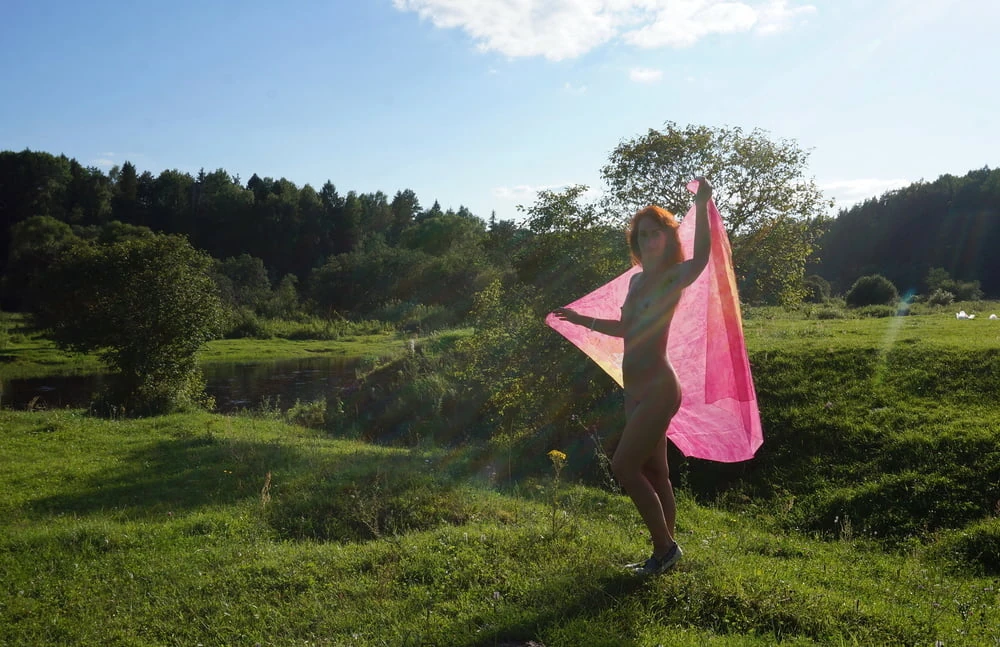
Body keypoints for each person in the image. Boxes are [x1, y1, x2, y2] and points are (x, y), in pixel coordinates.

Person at [552, 177, 713, 575]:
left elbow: (704, 256)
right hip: (634, 388)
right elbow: (626, 329)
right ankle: (666, 555)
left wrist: (705, 206)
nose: (648, 242)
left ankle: (664, 550)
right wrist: (582, 320)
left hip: (659, 386)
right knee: (656, 470)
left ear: (668, 238)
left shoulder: (674, 276)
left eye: (655, 234)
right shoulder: (638, 279)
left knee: (625, 467)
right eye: (642, 236)